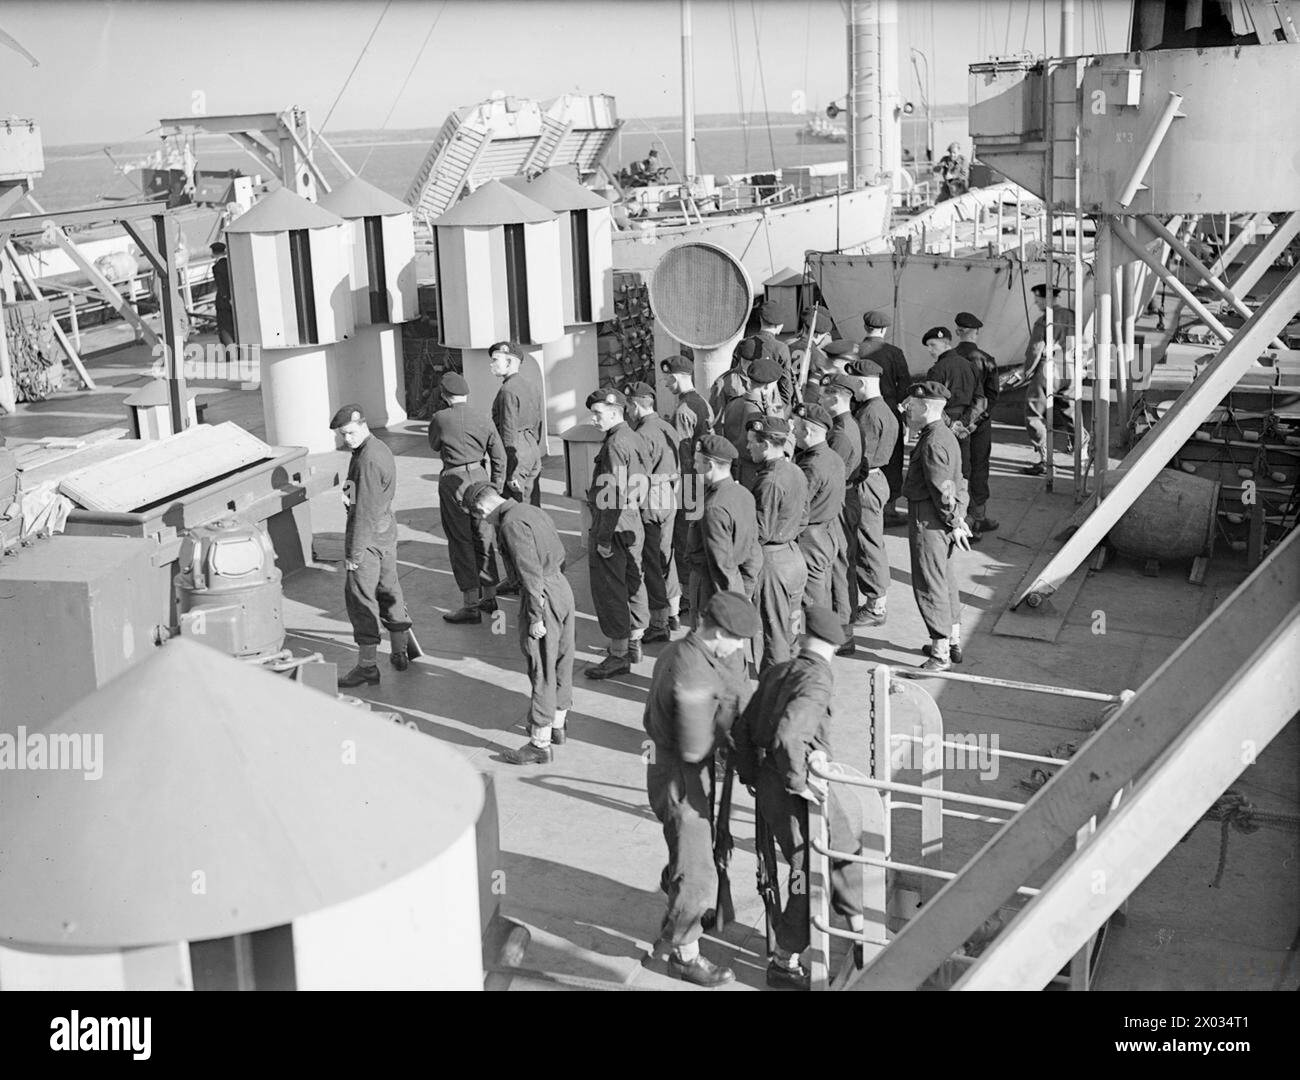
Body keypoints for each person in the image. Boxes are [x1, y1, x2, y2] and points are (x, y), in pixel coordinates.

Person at [731, 606, 868, 990]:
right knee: (809, 871)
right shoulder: (817, 679)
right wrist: (798, 782)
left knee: (842, 845)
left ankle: (859, 927)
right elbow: (791, 735)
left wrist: (750, 776)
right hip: (798, 784)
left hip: (778, 780)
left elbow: (743, 727)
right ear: (835, 646)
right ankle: (784, 959)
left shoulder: (779, 670)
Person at [643, 591, 758, 987]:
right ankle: (684, 955)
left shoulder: (684, 651)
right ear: (719, 633)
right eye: (738, 639)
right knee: (697, 871)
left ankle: (677, 897)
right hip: (681, 774)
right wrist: (728, 721)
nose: (741, 647)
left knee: (691, 853)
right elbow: (695, 745)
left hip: (681, 769)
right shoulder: (691, 674)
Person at [462, 481, 575, 766]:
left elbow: (529, 572)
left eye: (479, 516)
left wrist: (535, 616)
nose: (483, 521)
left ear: (482, 507)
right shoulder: (530, 510)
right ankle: (557, 725)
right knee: (562, 660)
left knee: (542, 668)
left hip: (541, 596)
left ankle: (539, 743)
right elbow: (558, 553)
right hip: (561, 588)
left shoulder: (511, 525)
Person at [331, 404, 413, 688]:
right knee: (391, 591)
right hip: (386, 533)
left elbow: (363, 512)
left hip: (366, 541)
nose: (347, 439)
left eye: (350, 433)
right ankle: (401, 651)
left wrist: (353, 554)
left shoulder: (366, 459)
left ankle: (367, 667)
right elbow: (360, 490)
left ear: (362, 425)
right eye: (343, 435)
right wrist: (348, 493)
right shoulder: (376, 448)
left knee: (361, 600)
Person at [902, 382, 972, 671]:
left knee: (929, 583)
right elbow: (959, 482)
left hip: (929, 518)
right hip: (942, 516)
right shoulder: (944, 435)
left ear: (926, 407)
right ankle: (951, 638)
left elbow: (943, 488)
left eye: (913, 405)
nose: (908, 408)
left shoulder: (932, 441)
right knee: (945, 579)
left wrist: (953, 519)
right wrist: (959, 516)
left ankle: (940, 650)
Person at [428, 372, 506, 625]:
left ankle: (471, 605)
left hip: (453, 481)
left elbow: (434, 445)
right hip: (482, 479)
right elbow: (499, 456)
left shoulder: (440, 418)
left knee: (460, 540)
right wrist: (496, 487)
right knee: (484, 538)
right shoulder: (483, 418)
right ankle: (490, 595)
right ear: (467, 393)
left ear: (443, 395)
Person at [585, 388, 650, 679]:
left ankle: (618, 655)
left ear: (614, 412)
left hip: (612, 523)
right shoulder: (634, 436)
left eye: (598, 414)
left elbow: (614, 492)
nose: (594, 419)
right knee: (634, 581)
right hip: (632, 520)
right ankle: (635, 643)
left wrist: (602, 538)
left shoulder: (614, 445)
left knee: (610, 589)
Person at [749, 414, 810, 672]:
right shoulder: (795, 471)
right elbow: (805, 516)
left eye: (752, 442)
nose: (747, 446)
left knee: (772, 631)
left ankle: (773, 686)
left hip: (772, 563)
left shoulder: (769, 481)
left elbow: (760, 531)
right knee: (792, 625)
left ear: (765, 445)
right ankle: (792, 673)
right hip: (793, 556)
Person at [625, 381, 682, 643]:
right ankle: (673, 612)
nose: (628, 412)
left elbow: (639, 476)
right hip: (670, 494)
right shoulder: (666, 425)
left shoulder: (643, 433)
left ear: (636, 405)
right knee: (666, 556)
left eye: (628, 407)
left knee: (651, 562)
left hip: (650, 499)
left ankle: (658, 623)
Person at [686, 434, 763, 622]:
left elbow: (721, 566)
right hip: (737, 585)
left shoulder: (714, 507)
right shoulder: (743, 494)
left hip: (712, 593)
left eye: (698, 462)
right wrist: (745, 592)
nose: (695, 467)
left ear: (710, 466)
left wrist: (729, 609)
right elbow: (753, 551)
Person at [489, 342, 546, 595]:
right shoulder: (529, 385)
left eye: (496, 359)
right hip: (531, 448)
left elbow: (508, 433)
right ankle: (536, 572)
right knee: (532, 514)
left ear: (511, 362)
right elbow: (538, 422)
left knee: (509, 520)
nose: (492, 364)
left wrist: (509, 472)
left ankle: (519, 579)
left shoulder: (507, 391)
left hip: (516, 455)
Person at [846, 359, 899, 628]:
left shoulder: (868, 415)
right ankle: (875, 601)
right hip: (878, 478)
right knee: (873, 539)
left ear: (862, 382)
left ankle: (876, 605)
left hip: (866, 482)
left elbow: (859, 455)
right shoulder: (884, 409)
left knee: (868, 542)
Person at [660, 354, 713, 610]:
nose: (665, 383)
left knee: (683, 539)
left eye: (668, 377)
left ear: (680, 376)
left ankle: (686, 594)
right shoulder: (701, 401)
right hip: (703, 480)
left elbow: (683, 456)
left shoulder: (683, 410)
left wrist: (677, 488)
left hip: (689, 483)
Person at [1021, 282, 1087, 477]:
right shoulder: (1071, 316)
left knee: (1033, 414)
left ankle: (1046, 460)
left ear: (1045, 298)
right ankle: (1082, 457)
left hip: (1049, 370)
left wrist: (1026, 373)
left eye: (1037, 299)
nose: (1035, 303)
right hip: (1070, 369)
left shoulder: (1043, 321)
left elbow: (1035, 350)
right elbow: (1081, 343)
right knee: (1072, 413)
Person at [820, 372, 864, 653]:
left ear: (835, 398)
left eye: (824, 395)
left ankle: (844, 633)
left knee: (839, 568)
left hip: (839, 504)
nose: (821, 399)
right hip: (849, 498)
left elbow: (829, 475)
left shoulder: (839, 434)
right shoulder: (851, 425)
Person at [792, 402, 845, 622]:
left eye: (796, 428)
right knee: (822, 590)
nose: (793, 432)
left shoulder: (811, 466)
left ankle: (811, 646)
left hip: (810, 538)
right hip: (827, 532)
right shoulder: (833, 457)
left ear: (808, 431)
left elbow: (798, 509)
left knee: (808, 599)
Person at [857, 309, 911, 526]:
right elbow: (905, 385)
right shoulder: (894, 353)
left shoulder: (855, 350)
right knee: (892, 456)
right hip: (888, 407)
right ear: (884, 330)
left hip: (858, 407)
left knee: (863, 453)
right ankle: (888, 509)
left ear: (865, 328)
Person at [953, 312, 1001, 535]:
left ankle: (959, 517)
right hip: (979, 424)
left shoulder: (948, 358)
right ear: (976, 333)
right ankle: (978, 516)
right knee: (980, 465)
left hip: (954, 423)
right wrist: (977, 421)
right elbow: (992, 395)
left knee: (959, 468)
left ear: (957, 332)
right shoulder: (987, 359)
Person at [719, 354, 783, 491]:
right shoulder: (761, 415)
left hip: (733, 469)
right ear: (767, 386)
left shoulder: (733, 403)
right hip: (755, 473)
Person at [923, 324, 979, 479]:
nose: (929, 350)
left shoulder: (937, 370)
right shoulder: (970, 366)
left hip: (944, 424)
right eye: (928, 346)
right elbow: (980, 399)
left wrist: (951, 424)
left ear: (946, 344)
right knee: (962, 470)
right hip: (964, 425)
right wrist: (965, 422)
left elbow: (931, 403)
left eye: (933, 345)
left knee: (943, 471)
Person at [753, 300, 795, 408]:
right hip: (770, 403)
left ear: (760, 319)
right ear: (779, 325)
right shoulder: (781, 348)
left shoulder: (743, 344)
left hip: (747, 401)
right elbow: (786, 387)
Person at [210, 241, 235, 347]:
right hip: (233, 298)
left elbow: (221, 286)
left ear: (214, 253)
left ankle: (230, 353)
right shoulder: (230, 263)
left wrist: (226, 298)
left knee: (224, 328)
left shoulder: (216, 267)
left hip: (223, 302)